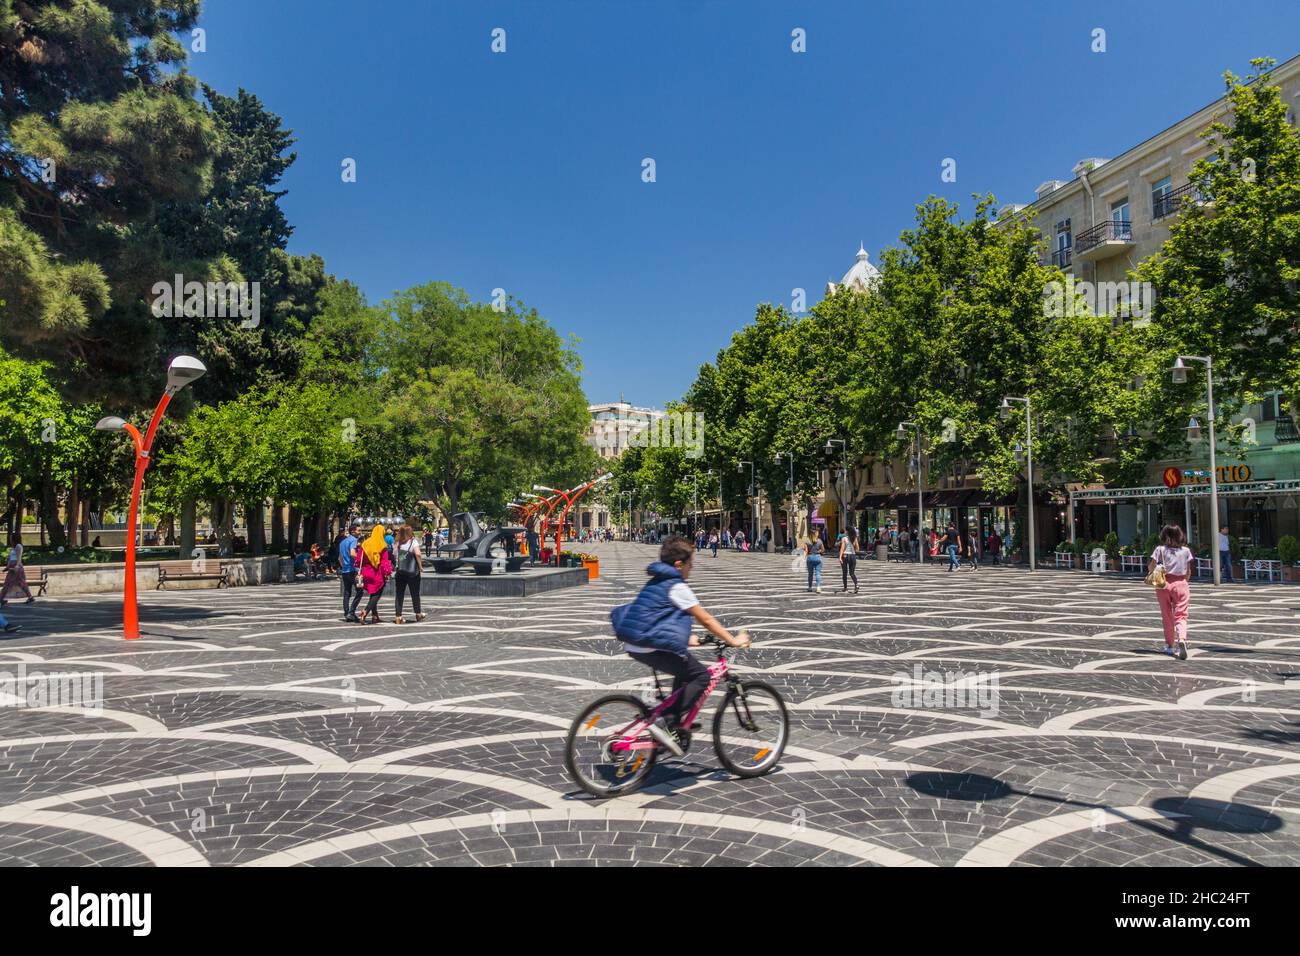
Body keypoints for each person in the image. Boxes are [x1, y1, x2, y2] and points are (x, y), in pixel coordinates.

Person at [610, 535, 750, 754]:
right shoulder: (676, 585)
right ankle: (665, 722)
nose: (691, 568)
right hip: (648, 645)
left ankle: (674, 722)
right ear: (678, 564)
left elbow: (659, 616)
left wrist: (687, 639)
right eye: (690, 563)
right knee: (701, 676)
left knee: (684, 668)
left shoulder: (658, 579)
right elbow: (706, 619)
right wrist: (732, 640)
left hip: (637, 642)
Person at [1149, 524, 1193, 660]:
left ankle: (1169, 645)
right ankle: (1182, 639)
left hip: (1163, 584)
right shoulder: (1186, 551)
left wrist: (1154, 570)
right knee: (1181, 615)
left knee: (1167, 616)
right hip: (1181, 584)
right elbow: (1188, 571)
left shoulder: (1160, 549)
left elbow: (1151, 567)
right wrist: (1183, 581)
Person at [356, 524, 392, 624]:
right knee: (377, 593)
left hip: (366, 572)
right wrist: (387, 573)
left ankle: (375, 616)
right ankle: (366, 611)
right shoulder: (382, 545)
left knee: (372, 593)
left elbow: (358, 559)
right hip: (377, 573)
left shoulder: (365, 543)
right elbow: (385, 562)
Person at [393, 524, 425, 624]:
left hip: (400, 571)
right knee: (415, 593)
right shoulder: (413, 541)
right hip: (412, 572)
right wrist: (420, 566)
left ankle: (398, 616)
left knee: (399, 594)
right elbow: (418, 554)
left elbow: (395, 556)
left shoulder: (396, 542)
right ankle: (418, 614)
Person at [1, 534, 34, 607]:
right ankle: (30, 597)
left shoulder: (18, 546)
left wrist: (16, 566)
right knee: (21, 583)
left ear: (14, 539)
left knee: (8, 583)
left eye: (11, 538)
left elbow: (19, 558)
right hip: (12, 567)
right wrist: (7, 567)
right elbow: (11, 558)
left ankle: (1, 599)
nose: (10, 540)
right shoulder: (14, 547)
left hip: (16, 568)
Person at [338, 521, 362, 622]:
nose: (360, 532)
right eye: (358, 530)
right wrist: (361, 559)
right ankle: (351, 612)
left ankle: (346, 612)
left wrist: (344, 566)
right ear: (353, 531)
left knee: (347, 592)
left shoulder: (342, 542)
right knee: (360, 591)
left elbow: (339, 558)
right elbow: (353, 553)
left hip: (345, 570)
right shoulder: (353, 540)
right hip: (352, 570)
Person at [838, 526, 859, 593]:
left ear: (847, 531)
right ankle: (856, 585)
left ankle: (845, 588)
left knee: (844, 573)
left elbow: (842, 548)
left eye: (845, 530)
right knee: (852, 573)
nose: (845, 531)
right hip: (853, 556)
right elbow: (857, 549)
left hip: (845, 556)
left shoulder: (844, 538)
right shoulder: (854, 538)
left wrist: (840, 557)